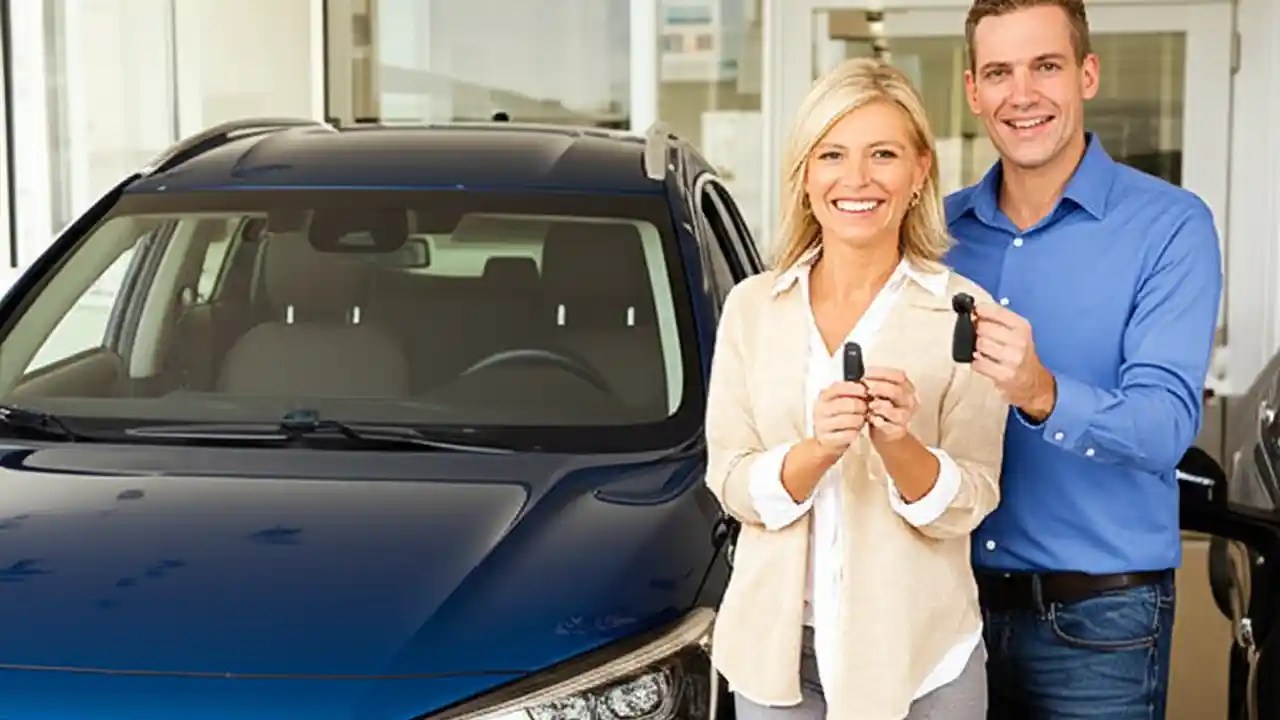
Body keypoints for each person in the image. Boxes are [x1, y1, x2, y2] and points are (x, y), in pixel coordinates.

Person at [703, 57, 1010, 720]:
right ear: (806, 173)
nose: (857, 179)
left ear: (920, 169)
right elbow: (729, 480)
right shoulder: (754, 308)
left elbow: (975, 498)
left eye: (884, 154)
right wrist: (815, 450)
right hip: (780, 662)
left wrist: (901, 446)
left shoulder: (964, 311)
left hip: (923, 663)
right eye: (833, 154)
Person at [943, 1, 1224, 717]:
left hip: (1099, 625)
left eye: (1046, 66)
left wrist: (1040, 391)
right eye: (1000, 72)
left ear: (1086, 74)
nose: (1023, 93)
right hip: (944, 613)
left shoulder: (1169, 226)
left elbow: (1164, 428)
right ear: (974, 90)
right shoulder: (938, 234)